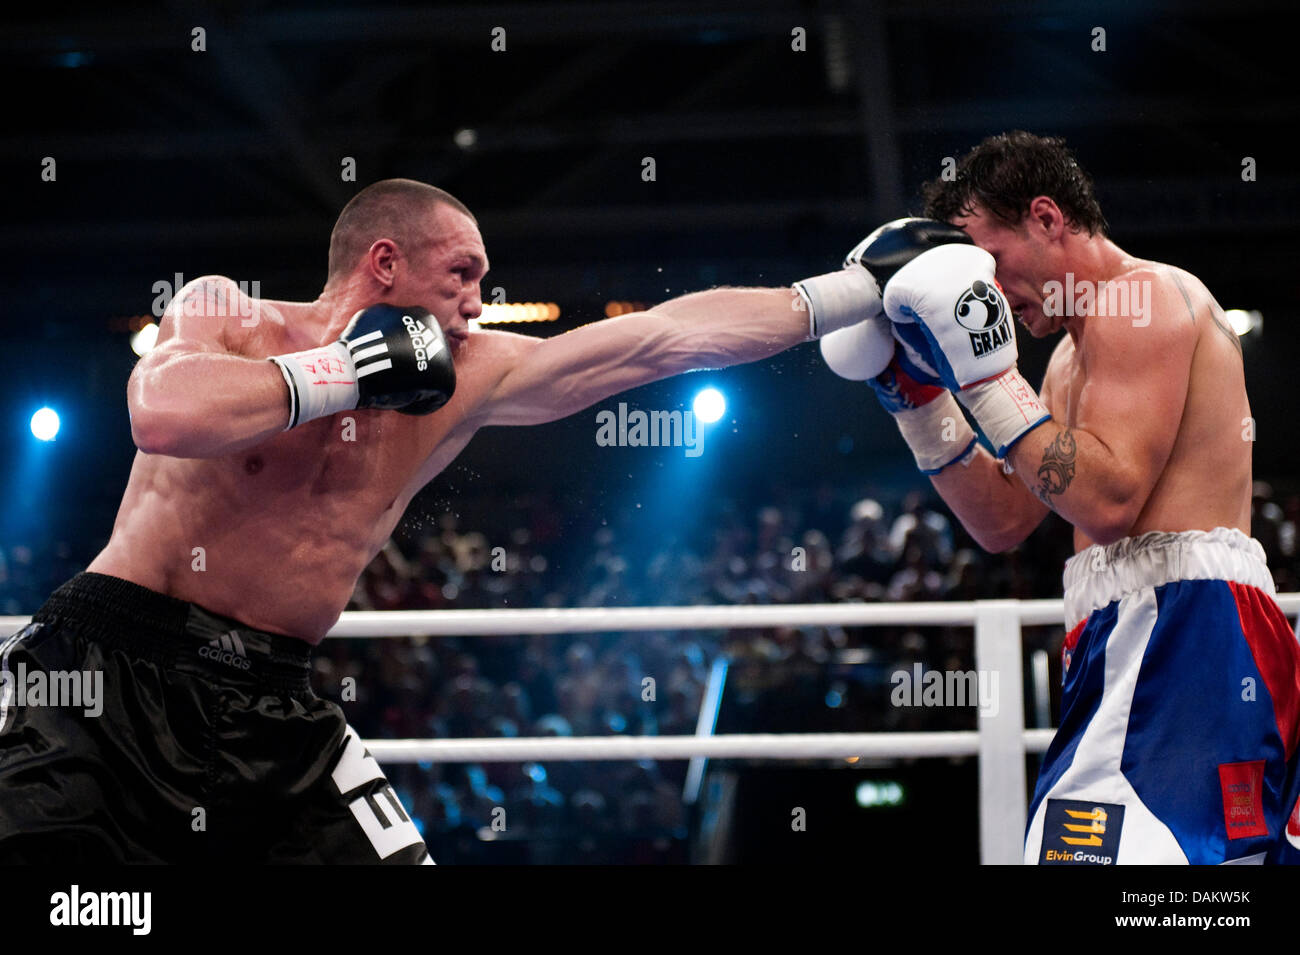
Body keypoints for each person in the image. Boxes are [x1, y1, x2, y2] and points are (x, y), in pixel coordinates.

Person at [0, 177, 901, 864]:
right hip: (107, 670)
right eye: (461, 273)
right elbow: (161, 411)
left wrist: (854, 291)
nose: (477, 300)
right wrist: (346, 374)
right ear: (385, 262)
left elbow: (662, 338)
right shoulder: (230, 314)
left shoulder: (471, 372)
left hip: (271, 699)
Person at [829, 131, 1300, 864]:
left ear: (1046, 218)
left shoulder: (1140, 298)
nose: (986, 296)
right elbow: (1005, 520)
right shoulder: (1068, 364)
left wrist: (983, 376)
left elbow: (1108, 499)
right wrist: (914, 397)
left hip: (1181, 636)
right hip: (1137, 643)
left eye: (990, 267)